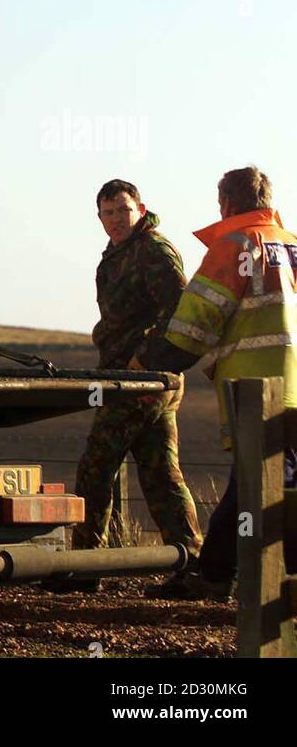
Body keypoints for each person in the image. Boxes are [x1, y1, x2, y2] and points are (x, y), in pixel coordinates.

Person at [137, 166, 297, 599]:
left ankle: (214, 576)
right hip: (295, 391)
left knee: (250, 482)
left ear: (225, 203)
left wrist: (156, 364)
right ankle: (230, 573)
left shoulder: (236, 245)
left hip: (257, 390)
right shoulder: (293, 246)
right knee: (273, 483)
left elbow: (197, 321)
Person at [65, 181, 203, 576]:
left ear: (140, 210)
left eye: (123, 211)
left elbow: (178, 310)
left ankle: (86, 567)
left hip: (142, 380)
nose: (116, 220)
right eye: (108, 213)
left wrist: (144, 358)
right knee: (160, 471)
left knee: (96, 467)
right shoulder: (117, 254)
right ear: (99, 217)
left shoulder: (153, 251)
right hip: (132, 378)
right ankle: (192, 562)